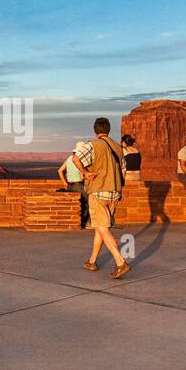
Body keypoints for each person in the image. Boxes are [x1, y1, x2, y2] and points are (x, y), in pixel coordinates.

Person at [72, 117, 130, 278]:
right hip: (115, 191)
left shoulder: (93, 145)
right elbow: (124, 170)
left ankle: (120, 262)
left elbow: (75, 159)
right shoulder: (118, 147)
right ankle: (92, 261)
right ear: (108, 129)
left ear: (95, 130)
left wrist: (85, 173)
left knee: (102, 228)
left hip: (98, 191)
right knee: (100, 227)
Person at [57, 141, 91, 229]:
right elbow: (81, 176)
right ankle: (85, 223)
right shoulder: (80, 160)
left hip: (70, 185)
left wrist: (64, 182)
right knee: (88, 202)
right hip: (79, 185)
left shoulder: (69, 158)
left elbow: (60, 171)